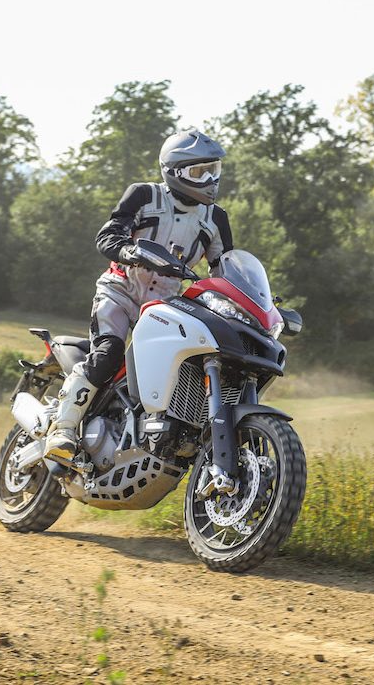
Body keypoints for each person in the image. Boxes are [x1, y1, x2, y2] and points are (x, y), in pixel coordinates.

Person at [44, 128, 234, 461]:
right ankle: (63, 428)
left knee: (182, 368)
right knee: (110, 352)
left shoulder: (216, 219)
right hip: (119, 291)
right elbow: (108, 236)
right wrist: (132, 251)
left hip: (166, 306)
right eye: (198, 172)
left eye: (213, 171)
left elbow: (224, 272)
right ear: (174, 172)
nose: (208, 180)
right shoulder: (144, 196)